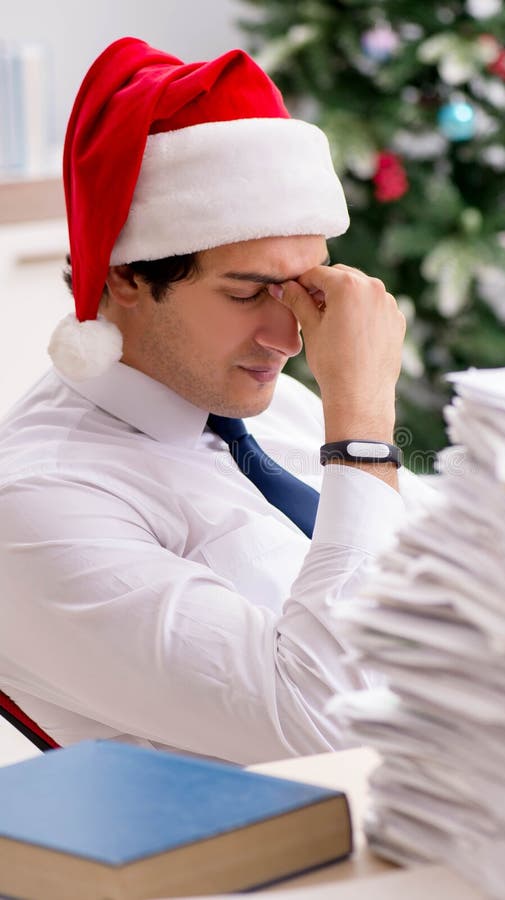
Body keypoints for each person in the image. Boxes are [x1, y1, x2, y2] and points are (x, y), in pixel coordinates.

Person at [0, 38, 428, 763]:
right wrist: (361, 431)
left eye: (305, 286)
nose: (290, 336)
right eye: (249, 291)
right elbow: (332, 729)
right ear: (126, 278)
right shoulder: (37, 503)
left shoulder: (274, 413)